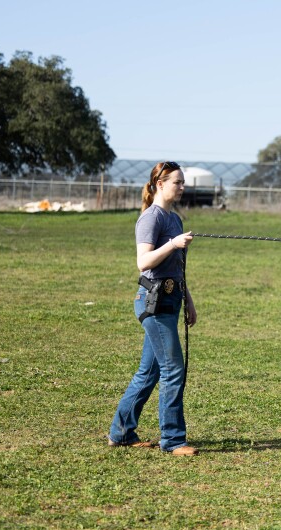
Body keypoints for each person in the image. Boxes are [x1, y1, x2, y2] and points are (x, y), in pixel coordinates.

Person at [107, 161, 199, 456]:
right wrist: (172, 244)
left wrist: (189, 301)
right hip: (153, 303)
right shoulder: (151, 218)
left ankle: (120, 433)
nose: (182, 187)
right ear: (160, 184)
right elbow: (144, 262)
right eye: (178, 182)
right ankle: (173, 440)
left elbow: (178, 268)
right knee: (173, 370)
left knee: (149, 373)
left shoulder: (175, 220)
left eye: (183, 182)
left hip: (172, 301)